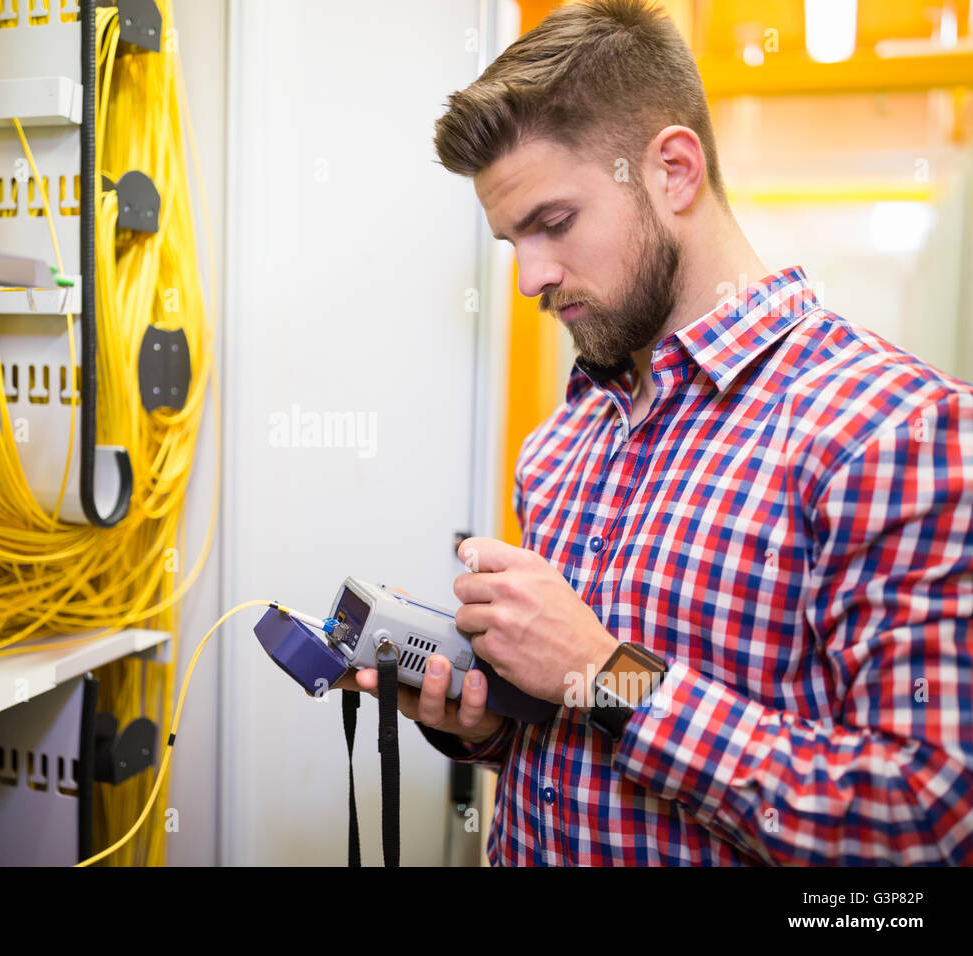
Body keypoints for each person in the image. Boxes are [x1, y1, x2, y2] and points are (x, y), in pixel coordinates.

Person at [340, 0, 973, 865]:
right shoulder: (562, 443)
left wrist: (607, 676)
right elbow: (569, 750)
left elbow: (926, 818)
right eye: (509, 241)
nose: (530, 279)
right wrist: (483, 726)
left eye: (553, 224)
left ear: (673, 170)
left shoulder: (891, 427)